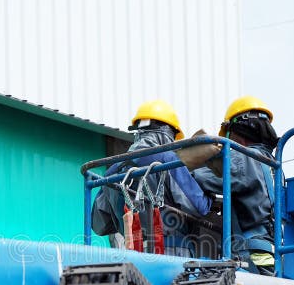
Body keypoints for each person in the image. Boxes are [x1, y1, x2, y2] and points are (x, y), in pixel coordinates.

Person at [91, 100, 212, 256]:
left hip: (131, 255)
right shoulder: (167, 159)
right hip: (171, 252)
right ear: (167, 132)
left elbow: (98, 225)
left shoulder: (112, 170)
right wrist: (208, 196)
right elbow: (198, 207)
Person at [192, 96, 278, 275]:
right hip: (270, 253)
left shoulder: (243, 157)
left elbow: (200, 177)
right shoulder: (274, 165)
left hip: (249, 256)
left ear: (240, 131)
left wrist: (175, 167)